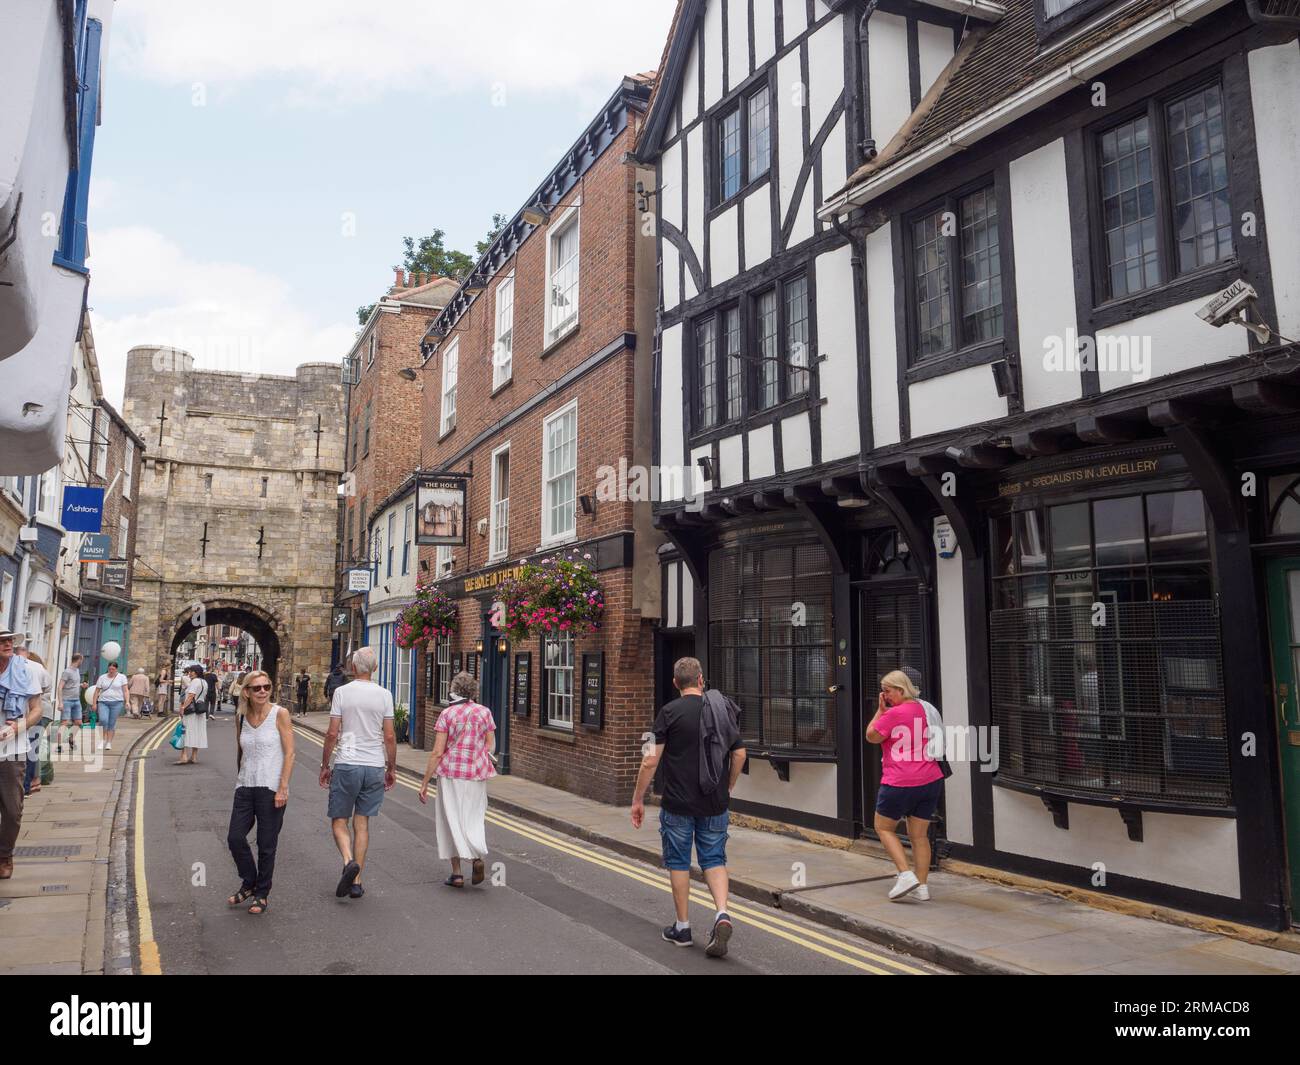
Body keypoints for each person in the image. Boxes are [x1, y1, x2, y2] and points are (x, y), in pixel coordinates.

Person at [631, 657, 746, 958]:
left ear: (675, 683)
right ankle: (722, 913)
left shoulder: (668, 712)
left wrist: (637, 798)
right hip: (714, 802)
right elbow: (740, 755)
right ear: (700, 680)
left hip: (678, 804)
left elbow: (650, 760)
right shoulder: (720, 711)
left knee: (679, 861)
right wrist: (729, 784)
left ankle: (682, 927)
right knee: (714, 859)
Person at [319, 647, 395, 901]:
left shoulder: (341, 692)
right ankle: (357, 881)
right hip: (374, 765)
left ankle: (349, 861)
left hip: (347, 763)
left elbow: (332, 733)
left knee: (340, 820)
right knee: (362, 823)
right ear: (374, 669)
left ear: (353, 668)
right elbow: (390, 736)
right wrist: (391, 767)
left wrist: (324, 765)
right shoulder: (385, 695)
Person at [866, 669, 944, 902]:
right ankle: (922, 886)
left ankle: (905, 874)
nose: (885, 696)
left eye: (887, 691)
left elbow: (871, 736)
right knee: (919, 835)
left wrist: (879, 712)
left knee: (883, 827)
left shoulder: (893, 714)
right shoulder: (924, 708)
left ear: (900, 690)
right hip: (930, 779)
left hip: (899, 781)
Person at [418, 671, 496, 888]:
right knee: (473, 818)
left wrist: (425, 782)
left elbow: (437, 752)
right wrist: (479, 754)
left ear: (454, 689)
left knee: (451, 818)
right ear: (473, 690)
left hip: (451, 773)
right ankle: (477, 857)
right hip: (477, 774)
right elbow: (491, 746)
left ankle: (457, 873)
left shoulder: (448, 714)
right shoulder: (484, 713)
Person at [226, 670, 294, 916]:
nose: (263, 691)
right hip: (245, 785)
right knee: (235, 838)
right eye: (257, 688)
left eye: (266, 686)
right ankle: (249, 880)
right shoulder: (241, 717)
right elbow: (240, 751)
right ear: (246, 691)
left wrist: (283, 787)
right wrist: (238, 778)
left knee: (266, 845)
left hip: (271, 787)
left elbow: (290, 753)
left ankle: (261, 893)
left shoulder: (280, 714)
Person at [0, 628, 43, 880]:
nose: (7, 644)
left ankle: (5, 854)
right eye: (2, 641)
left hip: (14, 750)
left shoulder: (26, 670)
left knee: (13, 810)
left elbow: (36, 708)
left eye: (9, 641)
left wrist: (20, 726)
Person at [16, 647, 51, 796]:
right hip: (37, 713)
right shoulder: (38, 667)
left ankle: (28, 784)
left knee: (28, 749)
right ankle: (30, 784)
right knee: (31, 749)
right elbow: (45, 687)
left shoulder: (31, 668)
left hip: (31, 713)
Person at [90, 662, 129, 751]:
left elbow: (126, 690)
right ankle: (102, 740)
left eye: (113, 669)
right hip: (103, 702)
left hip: (117, 702)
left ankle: (109, 742)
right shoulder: (102, 677)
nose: (111, 671)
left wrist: (127, 702)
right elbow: (96, 691)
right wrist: (94, 703)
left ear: (116, 669)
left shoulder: (122, 677)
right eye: (109, 669)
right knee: (103, 720)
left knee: (111, 723)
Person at [176, 665, 209, 766]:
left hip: (191, 711)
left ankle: (184, 756)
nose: (189, 673)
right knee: (198, 731)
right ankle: (194, 756)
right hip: (200, 711)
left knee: (185, 731)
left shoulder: (195, 682)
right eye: (189, 672)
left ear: (197, 672)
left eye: (192, 672)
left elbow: (191, 696)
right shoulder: (204, 682)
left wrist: (182, 708)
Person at [57, 654, 84, 754]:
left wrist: (81, 685)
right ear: (79, 660)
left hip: (76, 700)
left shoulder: (77, 670)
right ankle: (59, 745)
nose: (82, 663)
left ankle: (71, 740)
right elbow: (60, 687)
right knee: (64, 723)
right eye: (82, 661)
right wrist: (60, 702)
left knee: (78, 723)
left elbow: (72, 684)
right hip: (67, 701)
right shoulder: (67, 671)